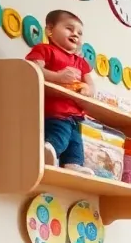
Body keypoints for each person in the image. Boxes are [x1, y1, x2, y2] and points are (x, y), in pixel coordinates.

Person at [26, 10, 94, 175]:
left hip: (75, 115)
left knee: (75, 141)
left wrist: (87, 89)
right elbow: (32, 70)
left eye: (79, 33)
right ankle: (46, 150)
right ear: (50, 30)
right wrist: (58, 76)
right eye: (69, 29)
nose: (75, 35)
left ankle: (72, 163)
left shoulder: (81, 61)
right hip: (55, 111)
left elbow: (91, 84)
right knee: (59, 135)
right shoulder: (44, 49)